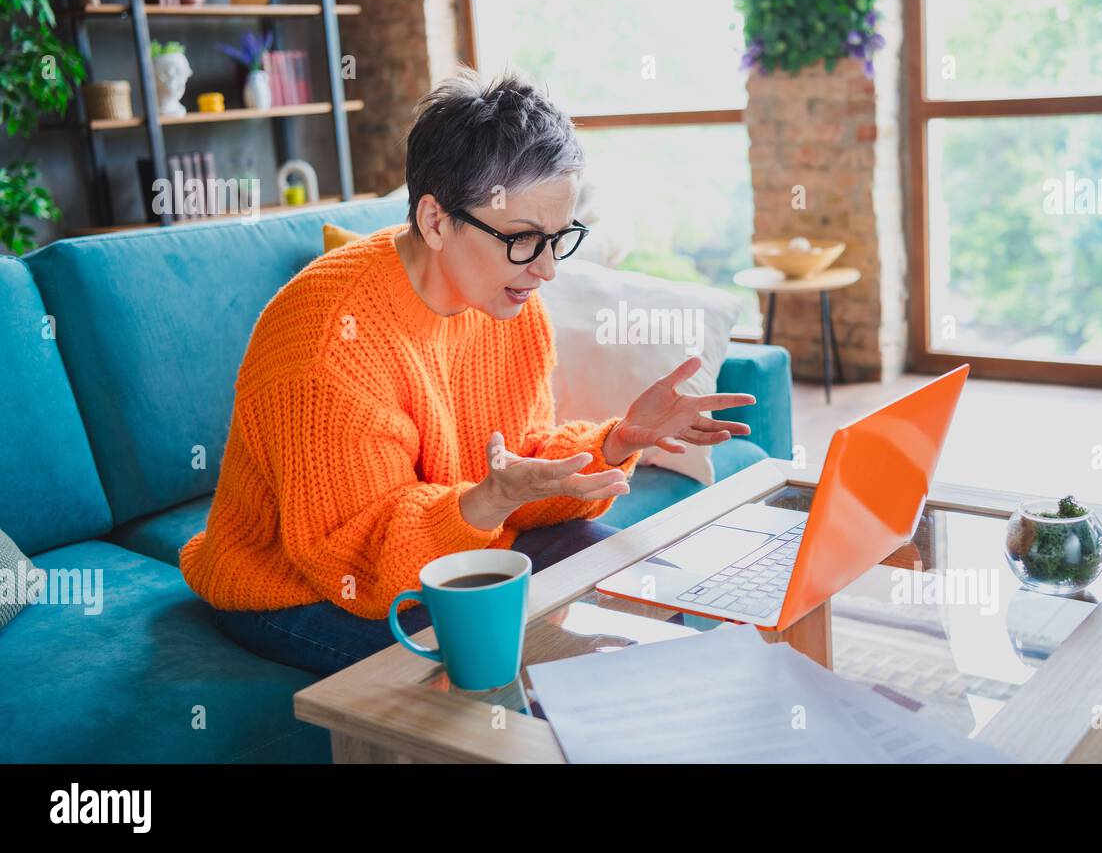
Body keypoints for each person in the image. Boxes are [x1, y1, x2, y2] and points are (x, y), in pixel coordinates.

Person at [179, 66, 755, 676]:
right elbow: (362, 563)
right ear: (434, 221)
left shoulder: (508, 304)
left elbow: (520, 459)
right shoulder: (329, 343)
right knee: (521, 664)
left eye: (560, 238)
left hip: (456, 543)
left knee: (654, 592)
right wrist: (488, 501)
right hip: (303, 585)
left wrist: (612, 441)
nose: (548, 269)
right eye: (525, 238)